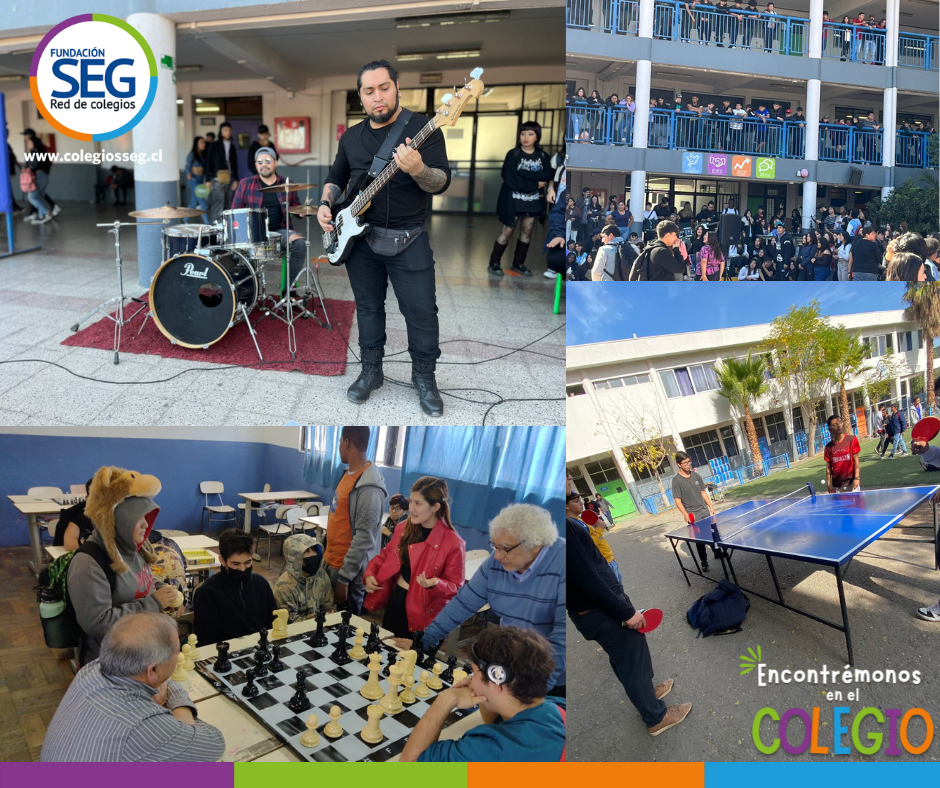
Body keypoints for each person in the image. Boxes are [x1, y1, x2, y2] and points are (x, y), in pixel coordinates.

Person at [318, 61, 451, 416]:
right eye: (369, 91)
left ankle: (424, 378)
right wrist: (326, 203)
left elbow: (441, 181)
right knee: (368, 308)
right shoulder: (352, 136)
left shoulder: (424, 127)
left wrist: (419, 169)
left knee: (421, 313)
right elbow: (336, 176)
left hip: (409, 236)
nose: (378, 97)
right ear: (361, 97)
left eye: (384, 88)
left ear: (397, 89)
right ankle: (371, 371)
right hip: (360, 240)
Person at [565, 472, 690, 736]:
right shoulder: (561, 526)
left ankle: (648, 693)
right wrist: (625, 611)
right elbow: (587, 578)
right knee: (630, 660)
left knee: (630, 658)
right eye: (563, 477)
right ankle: (656, 717)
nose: (569, 480)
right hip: (602, 612)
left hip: (601, 608)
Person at [421, 504, 566, 696]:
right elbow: (462, 603)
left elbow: (562, 640)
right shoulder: (495, 562)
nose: (496, 556)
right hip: (508, 662)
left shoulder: (564, 562)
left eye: (504, 549)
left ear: (536, 544)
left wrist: (531, 692)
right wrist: (422, 644)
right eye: (494, 546)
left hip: (551, 676)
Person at [41, 612, 225, 762]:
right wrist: (180, 707)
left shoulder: (91, 670)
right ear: (152, 669)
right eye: (176, 652)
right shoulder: (142, 726)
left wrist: (161, 684)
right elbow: (214, 744)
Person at [400, 627, 566, 762]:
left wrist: (446, 698)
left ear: (497, 678)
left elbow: (408, 769)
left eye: (474, 672)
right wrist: (482, 688)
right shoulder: (557, 707)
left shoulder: (490, 750)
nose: (471, 681)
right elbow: (493, 720)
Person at [68, 466, 178, 665]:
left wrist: (161, 590)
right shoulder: (88, 563)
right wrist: (153, 603)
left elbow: (139, 584)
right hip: (111, 663)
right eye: (138, 517)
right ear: (119, 519)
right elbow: (98, 623)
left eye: (148, 517)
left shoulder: (133, 549)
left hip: (141, 651)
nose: (146, 524)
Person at [364, 476, 465, 639]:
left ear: (435, 507)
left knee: (412, 660)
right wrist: (370, 573)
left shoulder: (454, 543)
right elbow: (386, 555)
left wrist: (435, 583)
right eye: (411, 502)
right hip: (397, 601)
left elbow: (456, 587)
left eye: (418, 503)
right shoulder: (403, 528)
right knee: (386, 652)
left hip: (424, 611)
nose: (411, 508)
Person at [323, 426, 388, 614]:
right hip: (331, 561)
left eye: (339, 443)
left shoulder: (369, 487)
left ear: (346, 442)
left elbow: (364, 538)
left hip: (347, 571)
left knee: (344, 629)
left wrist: (344, 578)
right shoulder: (348, 475)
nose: (339, 447)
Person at [231, 146, 307, 289]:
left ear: (275, 162)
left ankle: (289, 290)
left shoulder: (287, 184)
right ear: (255, 165)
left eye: (267, 161)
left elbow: (296, 207)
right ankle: (246, 290)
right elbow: (235, 212)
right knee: (234, 251)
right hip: (252, 234)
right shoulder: (245, 184)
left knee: (300, 244)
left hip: (280, 231)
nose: (264, 165)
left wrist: (302, 212)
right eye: (260, 162)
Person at [489, 121, 553, 278]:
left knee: (527, 230)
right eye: (523, 133)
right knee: (508, 230)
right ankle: (494, 263)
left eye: (531, 134)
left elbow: (546, 175)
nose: (526, 137)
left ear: (537, 137)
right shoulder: (513, 154)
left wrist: (524, 176)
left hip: (533, 201)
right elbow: (510, 179)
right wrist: (534, 183)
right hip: (513, 200)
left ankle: (518, 264)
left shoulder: (543, 156)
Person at [192, 528, 278, 645]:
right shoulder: (207, 592)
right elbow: (205, 639)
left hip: (261, 647)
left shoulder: (261, 583)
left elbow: (273, 622)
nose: (242, 569)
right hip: (226, 652)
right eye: (235, 564)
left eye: (248, 562)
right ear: (222, 560)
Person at [670, 451, 721, 571]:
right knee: (700, 539)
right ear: (679, 464)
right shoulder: (676, 481)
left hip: (704, 511)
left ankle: (717, 552)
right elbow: (678, 500)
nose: (688, 464)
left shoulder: (696, 476)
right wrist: (685, 514)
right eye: (685, 463)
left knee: (712, 533)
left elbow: (703, 492)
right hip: (693, 515)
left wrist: (711, 507)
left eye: (689, 461)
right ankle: (704, 561)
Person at [273, 534, 334, 623]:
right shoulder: (283, 587)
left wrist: (330, 615)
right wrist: (321, 618)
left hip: (322, 627)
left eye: (314, 550)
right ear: (295, 558)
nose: (314, 554)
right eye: (307, 552)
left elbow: (329, 605)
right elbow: (292, 622)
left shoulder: (321, 575)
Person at [567, 491, 620, 583]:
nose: (581, 503)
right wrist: (599, 529)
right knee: (616, 594)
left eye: (580, 500)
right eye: (576, 501)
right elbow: (589, 545)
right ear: (566, 506)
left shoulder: (579, 519)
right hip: (603, 564)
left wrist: (610, 555)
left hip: (608, 560)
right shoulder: (574, 524)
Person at [206, 121, 239, 223]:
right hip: (216, 180)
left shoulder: (232, 146)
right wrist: (208, 179)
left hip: (229, 179)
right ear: (221, 131)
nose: (228, 132)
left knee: (228, 205)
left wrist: (236, 179)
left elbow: (235, 164)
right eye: (225, 130)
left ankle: (226, 228)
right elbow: (209, 162)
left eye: (229, 130)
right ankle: (215, 228)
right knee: (217, 205)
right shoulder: (214, 145)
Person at [53, 479, 94, 551]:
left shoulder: (117, 515)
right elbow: (69, 544)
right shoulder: (79, 516)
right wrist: (97, 543)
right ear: (88, 499)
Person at [823, 415, 861, 493]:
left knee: (855, 505)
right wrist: (828, 483)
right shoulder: (828, 447)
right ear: (830, 429)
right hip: (837, 486)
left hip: (851, 484)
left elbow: (856, 462)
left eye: (840, 422)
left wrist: (857, 478)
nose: (838, 426)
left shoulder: (851, 440)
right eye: (835, 425)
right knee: (839, 506)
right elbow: (828, 467)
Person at [184, 136, 208, 222]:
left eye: (204, 142)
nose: (204, 144)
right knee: (202, 202)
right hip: (194, 180)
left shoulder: (203, 155)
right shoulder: (192, 154)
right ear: (197, 144)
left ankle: (185, 219)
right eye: (201, 142)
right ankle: (207, 223)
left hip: (201, 180)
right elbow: (188, 166)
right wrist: (188, 174)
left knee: (193, 203)